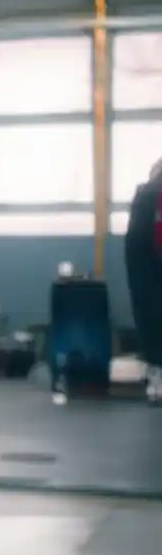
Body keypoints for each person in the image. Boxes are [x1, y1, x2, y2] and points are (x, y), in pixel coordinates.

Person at [125, 158, 162, 404]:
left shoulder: (143, 196)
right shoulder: (153, 196)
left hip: (143, 271)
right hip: (151, 264)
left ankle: (156, 378)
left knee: (150, 322)